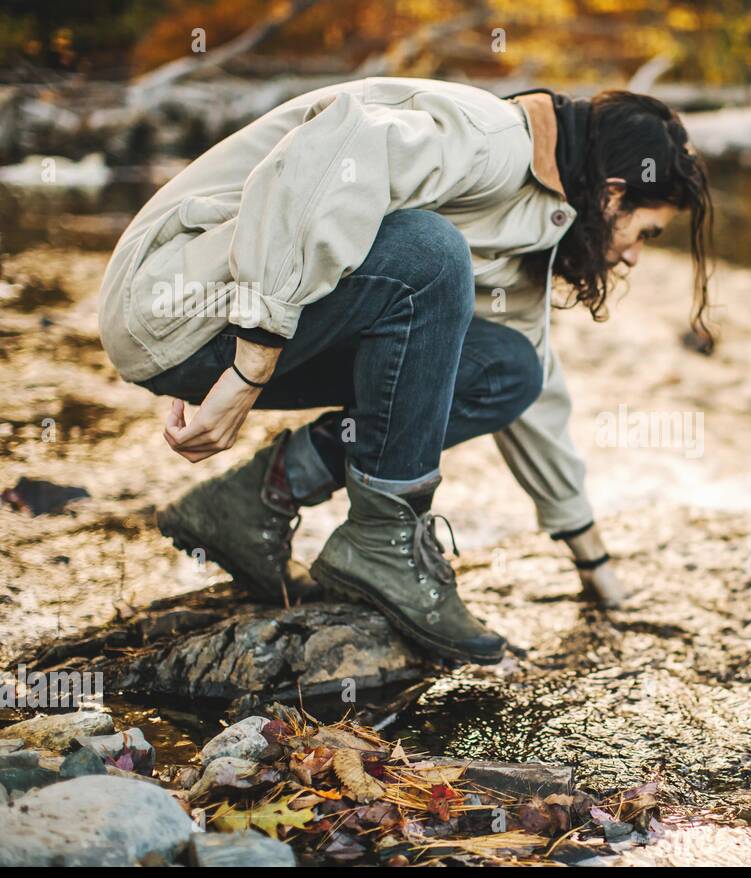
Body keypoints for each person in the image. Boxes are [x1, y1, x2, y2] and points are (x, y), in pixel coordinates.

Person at [97, 78, 713, 665]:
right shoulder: (493, 138)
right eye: (646, 232)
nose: (633, 254)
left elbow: (537, 393)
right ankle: (383, 544)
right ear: (611, 194)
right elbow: (327, 159)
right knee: (431, 254)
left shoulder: (539, 223)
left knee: (507, 370)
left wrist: (593, 561)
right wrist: (249, 366)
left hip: (237, 318)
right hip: (171, 302)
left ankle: (254, 500)